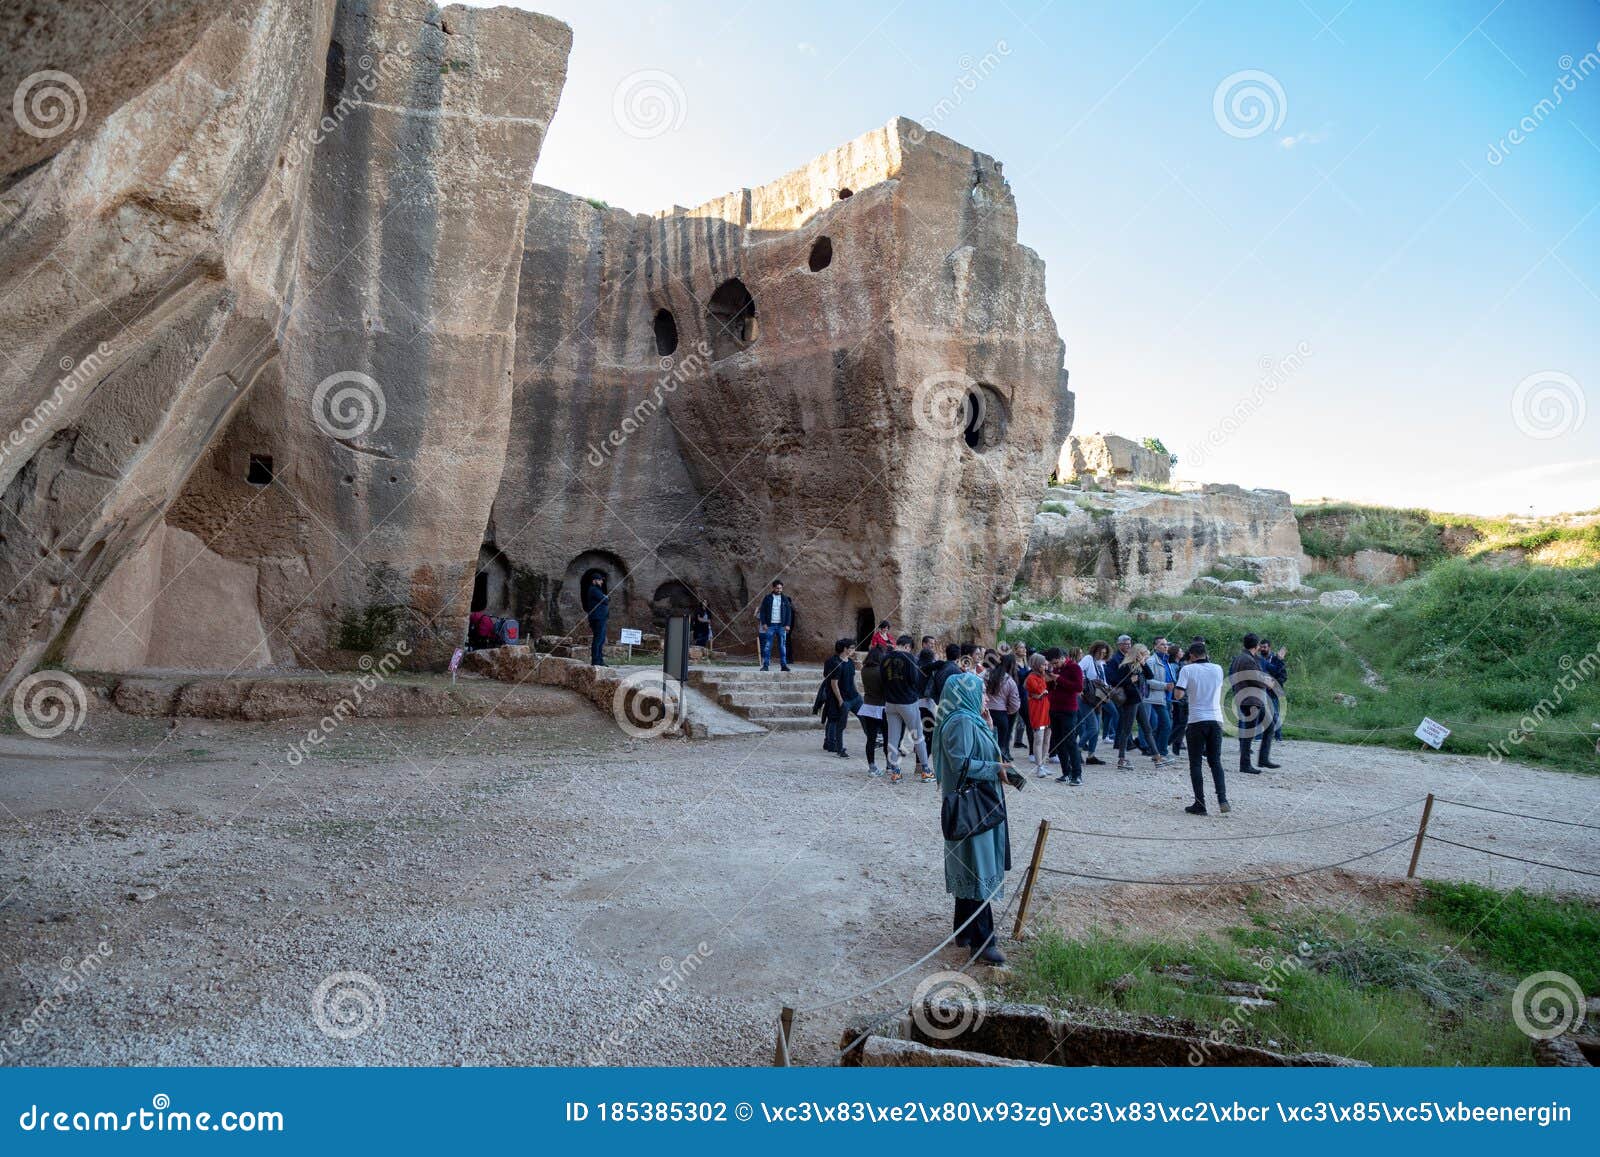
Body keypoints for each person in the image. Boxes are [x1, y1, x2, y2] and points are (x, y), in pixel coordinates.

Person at [932, 672, 1018, 965]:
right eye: (981, 692)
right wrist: (995, 769)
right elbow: (961, 763)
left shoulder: (971, 719)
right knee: (978, 866)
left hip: (977, 802)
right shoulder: (962, 721)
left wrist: (991, 729)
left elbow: (977, 752)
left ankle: (965, 931)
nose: (985, 698)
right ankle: (984, 942)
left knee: (970, 864)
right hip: (973, 804)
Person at [1174, 641, 1229, 815]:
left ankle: (1200, 803)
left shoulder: (1187, 670)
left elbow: (1178, 694)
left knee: (1195, 763)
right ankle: (1222, 799)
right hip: (1216, 718)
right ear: (1206, 653)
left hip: (1197, 719)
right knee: (1215, 762)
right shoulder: (1218, 669)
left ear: (1191, 655)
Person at [881, 635, 932, 783]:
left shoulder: (885, 658)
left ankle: (895, 772)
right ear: (908, 647)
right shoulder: (910, 659)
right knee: (918, 736)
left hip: (890, 702)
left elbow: (883, 679)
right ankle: (925, 770)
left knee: (893, 738)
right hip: (908, 702)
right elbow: (915, 680)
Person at [1229, 633, 1278, 773]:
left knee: (1269, 726)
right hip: (1251, 699)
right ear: (1256, 646)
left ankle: (1263, 759)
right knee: (1249, 732)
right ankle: (1245, 765)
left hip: (1248, 698)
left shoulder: (1242, 658)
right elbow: (1256, 679)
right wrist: (1268, 683)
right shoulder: (1248, 660)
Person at [1048, 648, 1085, 785]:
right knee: (1058, 742)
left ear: (1063, 657)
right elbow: (1052, 688)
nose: (1055, 665)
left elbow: (1078, 687)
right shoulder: (1055, 669)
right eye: (1052, 663)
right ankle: (1066, 772)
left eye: (1056, 662)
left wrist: (1060, 679)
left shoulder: (1074, 668)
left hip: (1068, 709)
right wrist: (1050, 680)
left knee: (1070, 741)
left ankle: (1077, 774)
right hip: (1054, 708)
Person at [1110, 641, 1146, 769]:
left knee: (1145, 727)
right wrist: (1129, 681)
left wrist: (1143, 664)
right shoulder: (1122, 663)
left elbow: (1149, 676)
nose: (1128, 646)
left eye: (1129, 644)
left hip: (1138, 699)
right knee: (1126, 728)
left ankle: (1156, 754)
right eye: (1125, 644)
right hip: (1129, 700)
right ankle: (1121, 757)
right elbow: (1116, 681)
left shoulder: (1139, 666)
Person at [820, 638, 858, 758]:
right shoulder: (833, 662)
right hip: (834, 694)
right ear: (845, 649)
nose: (853, 650)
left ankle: (828, 742)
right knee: (833, 718)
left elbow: (852, 679)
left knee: (833, 718)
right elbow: (833, 682)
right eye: (851, 648)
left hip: (847, 694)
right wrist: (840, 699)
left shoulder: (850, 662)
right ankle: (831, 743)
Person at [857, 644, 890, 775]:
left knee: (871, 739)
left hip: (868, 706)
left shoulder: (865, 669)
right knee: (887, 738)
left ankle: (872, 766)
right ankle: (889, 765)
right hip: (882, 706)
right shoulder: (881, 671)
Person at [1142, 639, 1175, 766]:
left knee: (1162, 725)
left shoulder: (1165, 659)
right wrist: (1165, 686)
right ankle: (1162, 753)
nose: (1166, 646)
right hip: (1156, 697)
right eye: (1162, 644)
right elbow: (1148, 680)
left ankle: (1154, 750)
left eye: (1167, 644)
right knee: (1166, 724)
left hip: (1166, 697)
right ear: (1155, 647)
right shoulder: (1151, 661)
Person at [1078, 641, 1111, 764]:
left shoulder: (1100, 663)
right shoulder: (1088, 658)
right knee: (1093, 727)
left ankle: (1091, 755)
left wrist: (1107, 688)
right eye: (1100, 652)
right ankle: (1077, 749)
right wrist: (1082, 685)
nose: (1102, 655)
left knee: (1096, 730)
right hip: (1086, 697)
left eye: (1104, 653)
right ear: (1095, 650)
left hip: (1097, 698)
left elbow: (1103, 680)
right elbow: (1078, 670)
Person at [983, 656, 1020, 753]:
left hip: (984, 712)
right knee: (1000, 746)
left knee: (984, 743)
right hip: (1001, 714)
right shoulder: (1010, 681)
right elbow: (1015, 704)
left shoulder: (987, 675)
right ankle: (999, 765)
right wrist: (1008, 710)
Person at [756, 580, 793, 672]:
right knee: (768, 646)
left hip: (782, 626)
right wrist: (764, 623)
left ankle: (783, 665)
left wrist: (788, 624)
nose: (779, 590)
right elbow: (763, 612)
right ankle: (766, 665)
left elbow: (789, 612)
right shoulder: (767, 598)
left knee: (782, 646)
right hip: (770, 625)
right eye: (777, 588)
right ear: (773, 588)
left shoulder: (785, 599)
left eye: (781, 588)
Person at [1025, 653, 1053, 775]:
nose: (1045, 666)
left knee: (1047, 739)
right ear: (1037, 665)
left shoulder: (1042, 676)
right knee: (1039, 739)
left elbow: (1044, 692)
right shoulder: (1031, 677)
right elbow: (1039, 690)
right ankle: (1039, 767)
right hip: (1037, 710)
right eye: (1043, 664)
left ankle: (1043, 764)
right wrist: (1043, 692)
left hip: (1046, 708)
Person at [1258, 639, 1288, 742]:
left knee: (1274, 713)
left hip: (1273, 690)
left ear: (1269, 647)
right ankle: (1258, 736)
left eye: (1264, 647)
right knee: (1258, 712)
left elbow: (1284, 676)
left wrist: (1273, 683)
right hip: (1260, 689)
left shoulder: (1277, 659)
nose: (1262, 649)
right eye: (1261, 647)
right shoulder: (1257, 659)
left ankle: (1278, 736)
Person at [581, 571, 610, 666]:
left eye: (602, 580)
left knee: (601, 640)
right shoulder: (594, 589)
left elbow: (605, 599)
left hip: (601, 618)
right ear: (594, 581)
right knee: (598, 639)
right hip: (597, 618)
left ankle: (600, 660)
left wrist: (605, 597)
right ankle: (596, 661)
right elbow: (605, 601)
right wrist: (606, 597)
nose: (601, 582)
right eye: (600, 580)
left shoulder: (597, 590)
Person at [1167, 641, 1189, 755]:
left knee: (1178, 723)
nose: (1182, 652)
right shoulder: (1178, 666)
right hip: (1180, 698)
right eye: (1180, 650)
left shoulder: (1178, 664)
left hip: (1177, 698)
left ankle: (1175, 747)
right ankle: (1167, 743)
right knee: (1180, 723)